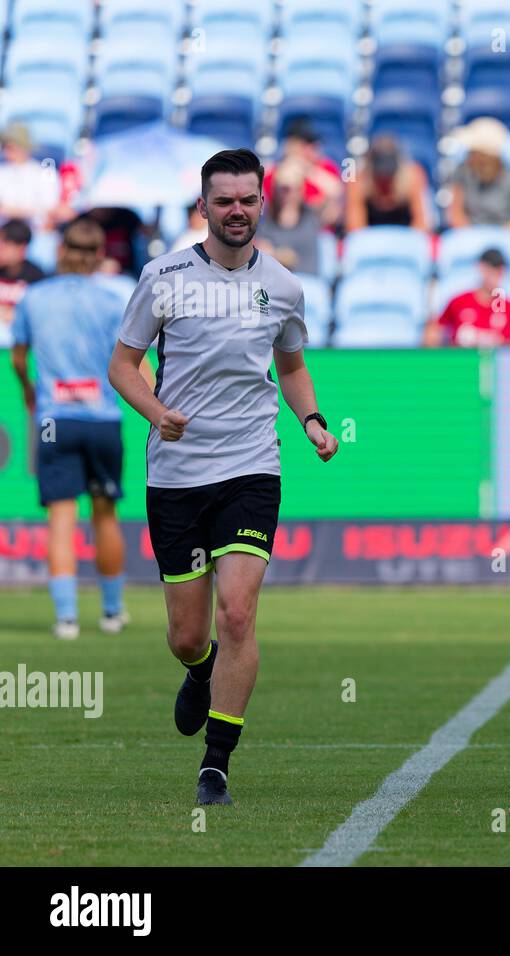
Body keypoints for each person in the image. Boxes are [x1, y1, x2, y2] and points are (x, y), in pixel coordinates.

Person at [107, 148, 340, 806]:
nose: (236, 211)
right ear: (203, 206)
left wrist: (314, 422)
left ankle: (217, 763)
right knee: (188, 634)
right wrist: (156, 412)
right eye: (224, 201)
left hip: (250, 467)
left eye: (247, 199)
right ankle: (200, 669)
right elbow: (123, 366)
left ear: (262, 202)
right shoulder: (164, 275)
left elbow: (291, 367)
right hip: (177, 474)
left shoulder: (285, 286)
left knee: (237, 613)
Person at [9, 217, 140, 639]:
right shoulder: (112, 300)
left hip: (54, 421)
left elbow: (18, 356)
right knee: (105, 515)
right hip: (102, 419)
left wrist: (30, 389)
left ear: (61, 250)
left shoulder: (34, 297)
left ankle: (66, 618)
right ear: (100, 254)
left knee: (61, 519)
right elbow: (132, 362)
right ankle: (112, 612)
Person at [426, 247, 510, 346]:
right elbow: (434, 330)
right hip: (461, 359)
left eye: (499, 272)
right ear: (481, 268)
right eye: (490, 270)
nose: (494, 276)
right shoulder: (459, 302)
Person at [446, 117, 510, 233]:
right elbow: (455, 213)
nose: (468, 155)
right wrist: (472, 236)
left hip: (505, 236)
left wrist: (500, 238)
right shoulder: (462, 173)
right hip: (468, 235)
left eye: (472, 151)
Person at [262, 118, 343, 229]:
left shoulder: (327, 167)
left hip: (319, 234)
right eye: (306, 143)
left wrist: (307, 170)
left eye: (314, 143)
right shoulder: (274, 172)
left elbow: (336, 196)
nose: (313, 148)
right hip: (280, 234)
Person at [344, 133, 430, 233]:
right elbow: (354, 229)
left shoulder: (414, 176)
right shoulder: (358, 181)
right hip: (370, 242)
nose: (385, 179)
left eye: (389, 174)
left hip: (406, 240)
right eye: (380, 175)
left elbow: (422, 225)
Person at [256, 158, 321, 274]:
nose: (288, 193)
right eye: (284, 188)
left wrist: (307, 170)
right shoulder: (265, 221)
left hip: (308, 283)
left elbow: (335, 193)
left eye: (294, 188)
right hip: (275, 284)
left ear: (301, 189)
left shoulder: (311, 216)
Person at [0, 123, 61, 229]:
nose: (7, 152)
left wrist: (15, 212)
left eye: (12, 147)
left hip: (35, 231)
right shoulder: (2, 171)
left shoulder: (45, 171)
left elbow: (50, 207)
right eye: (6, 147)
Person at [0, 218, 46, 346]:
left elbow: (38, 316)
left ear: (21, 247)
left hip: (20, 343)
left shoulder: (36, 277)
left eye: (4, 243)